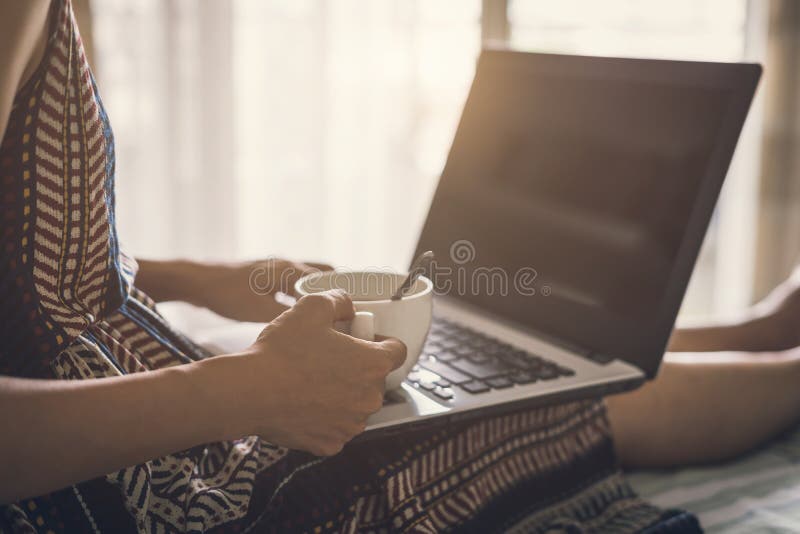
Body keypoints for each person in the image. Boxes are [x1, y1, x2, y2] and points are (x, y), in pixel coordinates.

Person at [1, 1, 798, 532]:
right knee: (538, 400)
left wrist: (188, 278)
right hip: (141, 490)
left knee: (517, 347)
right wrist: (240, 393)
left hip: (130, 401)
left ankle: (752, 330)